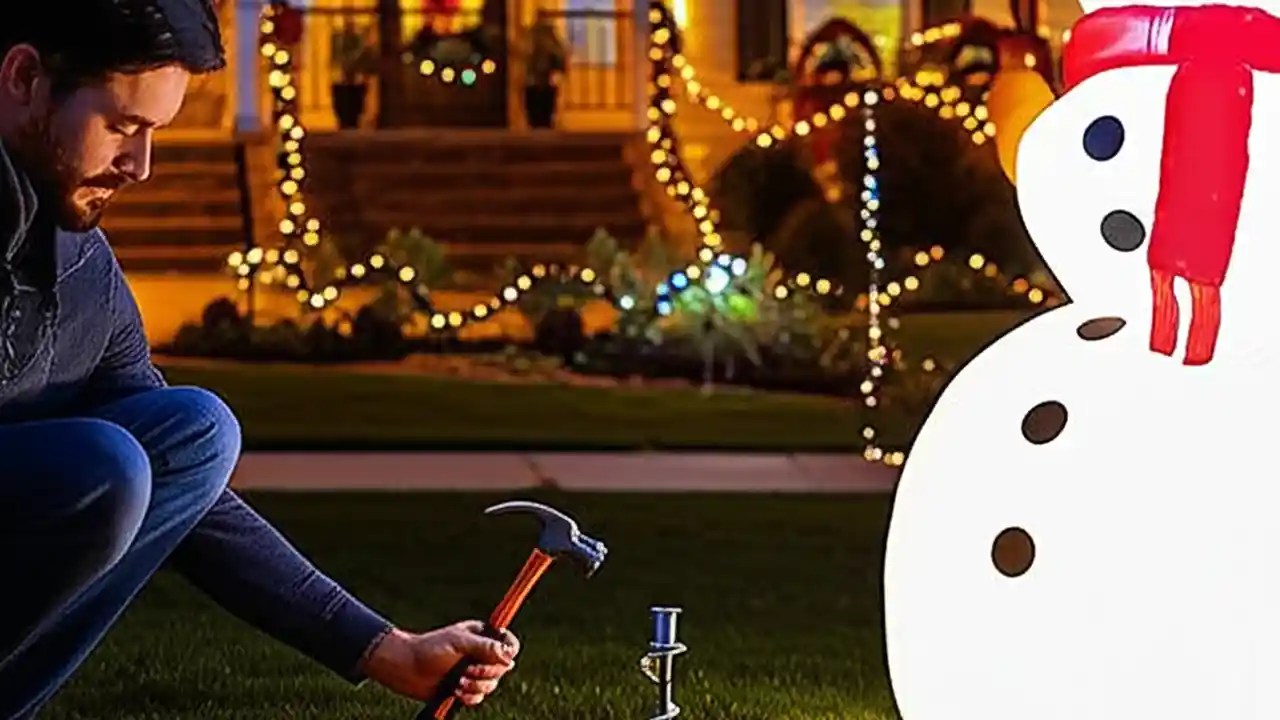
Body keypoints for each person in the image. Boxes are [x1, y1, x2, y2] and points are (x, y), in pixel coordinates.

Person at [0, 1, 519, 717]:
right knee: (102, 466)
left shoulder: (83, 268)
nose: (140, 167)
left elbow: (194, 493)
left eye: (154, 134)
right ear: (24, 77)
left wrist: (381, 647)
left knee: (195, 431)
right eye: (121, 126)